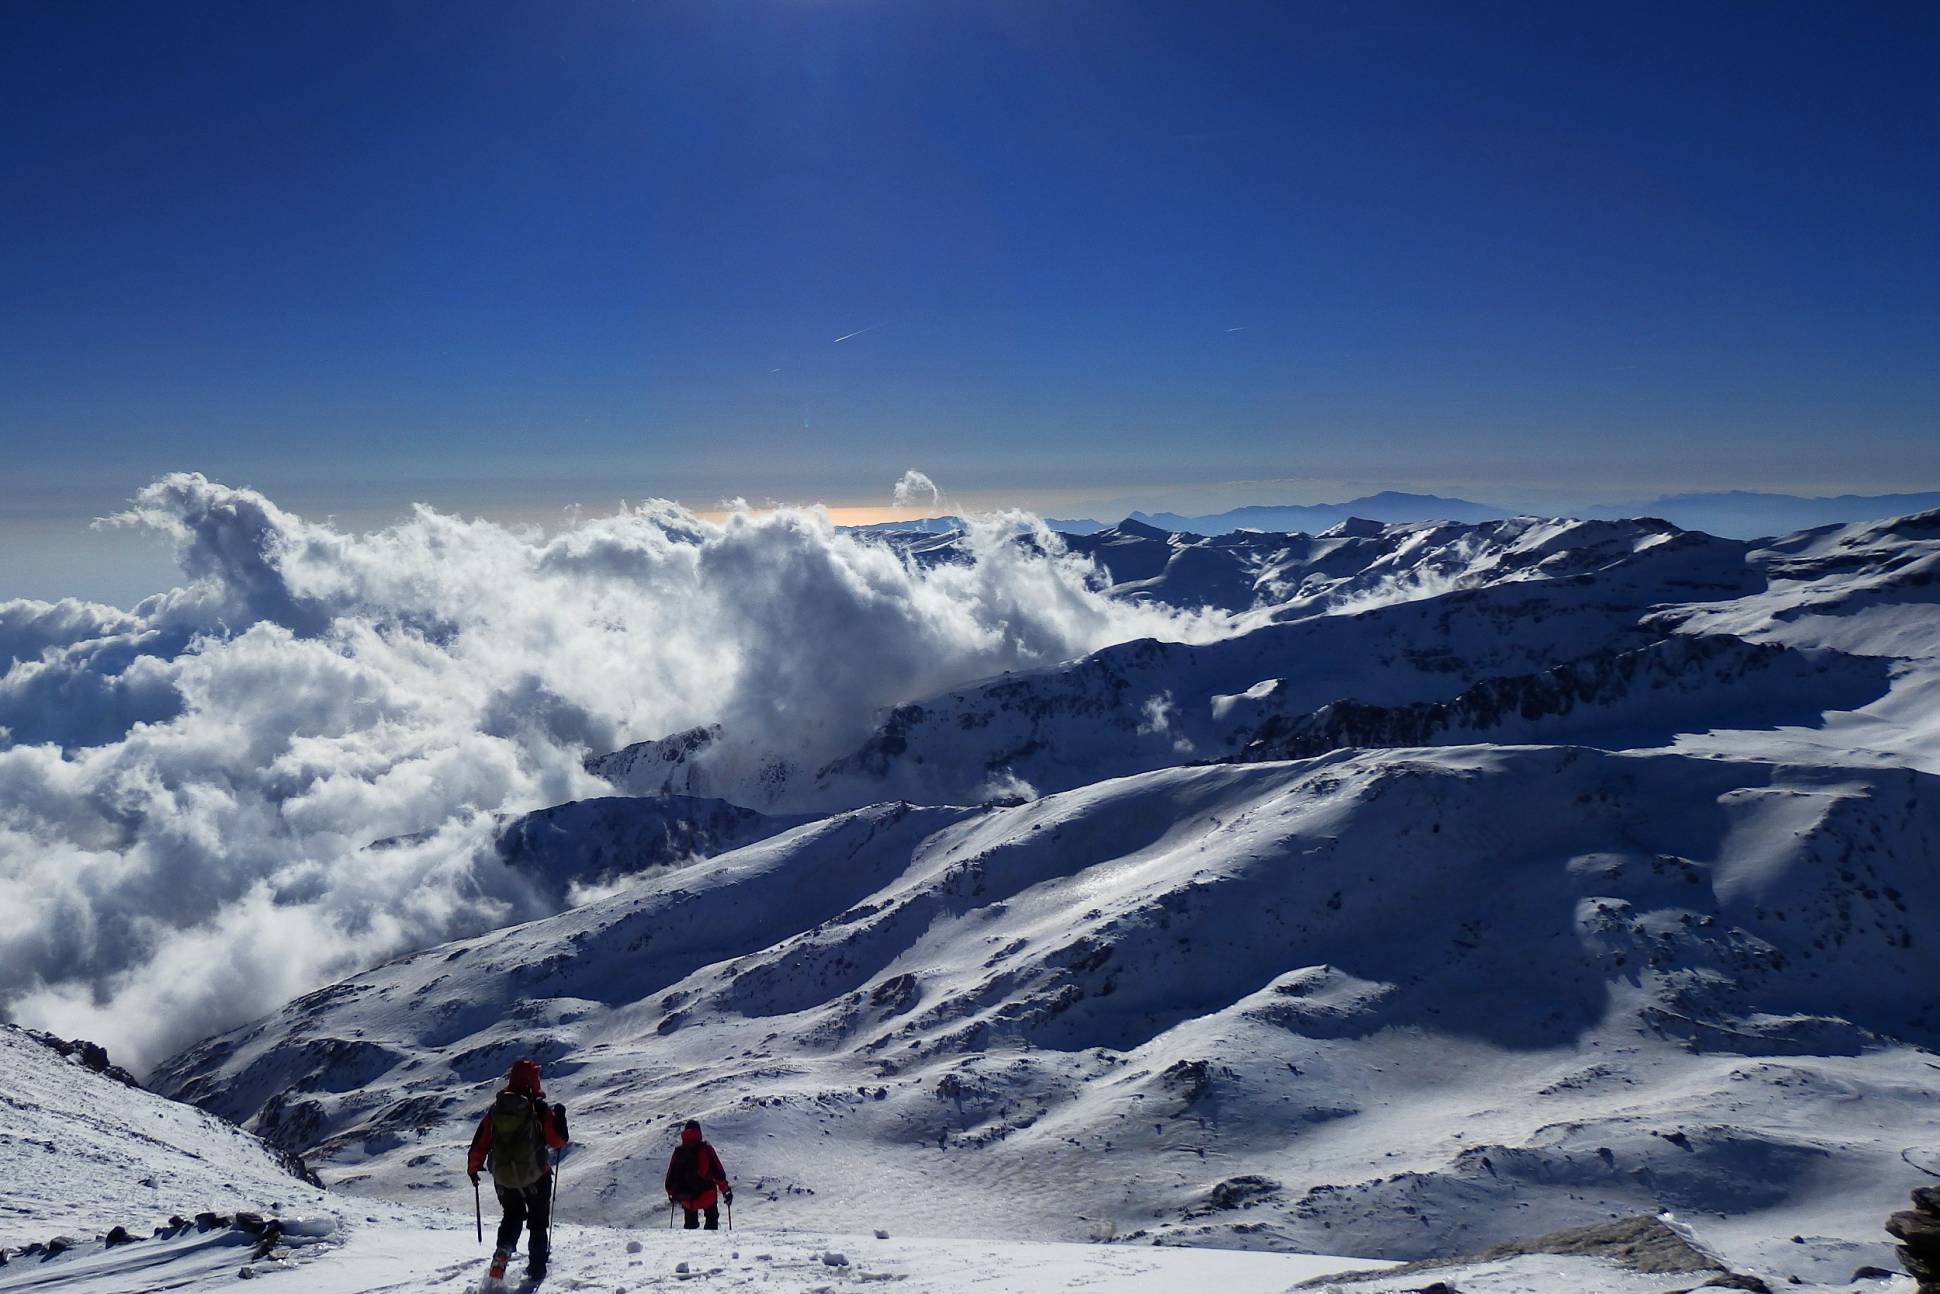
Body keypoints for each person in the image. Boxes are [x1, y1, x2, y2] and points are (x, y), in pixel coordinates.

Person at [467, 1058, 569, 1283]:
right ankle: (536, 1270)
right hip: (536, 1177)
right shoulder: (539, 1109)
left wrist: (474, 1169)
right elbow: (558, 1141)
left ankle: (503, 1251)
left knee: (512, 1216)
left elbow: (480, 1143)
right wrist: (560, 1118)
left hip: (504, 1179)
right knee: (538, 1223)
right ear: (533, 1080)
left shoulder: (496, 1110)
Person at [664, 1119, 732, 1230]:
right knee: (711, 1219)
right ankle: (711, 1241)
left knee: (690, 1225)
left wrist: (672, 1193)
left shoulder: (679, 1152)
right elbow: (719, 1173)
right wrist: (726, 1191)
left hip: (686, 1198)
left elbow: (670, 1177)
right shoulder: (706, 1149)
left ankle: (691, 1242)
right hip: (706, 1196)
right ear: (699, 1132)